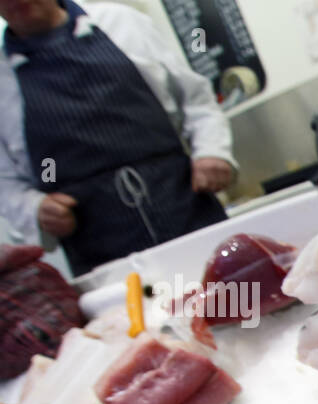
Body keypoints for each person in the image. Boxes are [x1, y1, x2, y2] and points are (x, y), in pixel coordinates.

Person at [0, 0, 236, 275]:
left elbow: (195, 101)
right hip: (100, 252)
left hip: (187, 208)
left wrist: (212, 152)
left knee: (240, 304)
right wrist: (35, 209)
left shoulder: (122, 23)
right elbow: (5, 181)